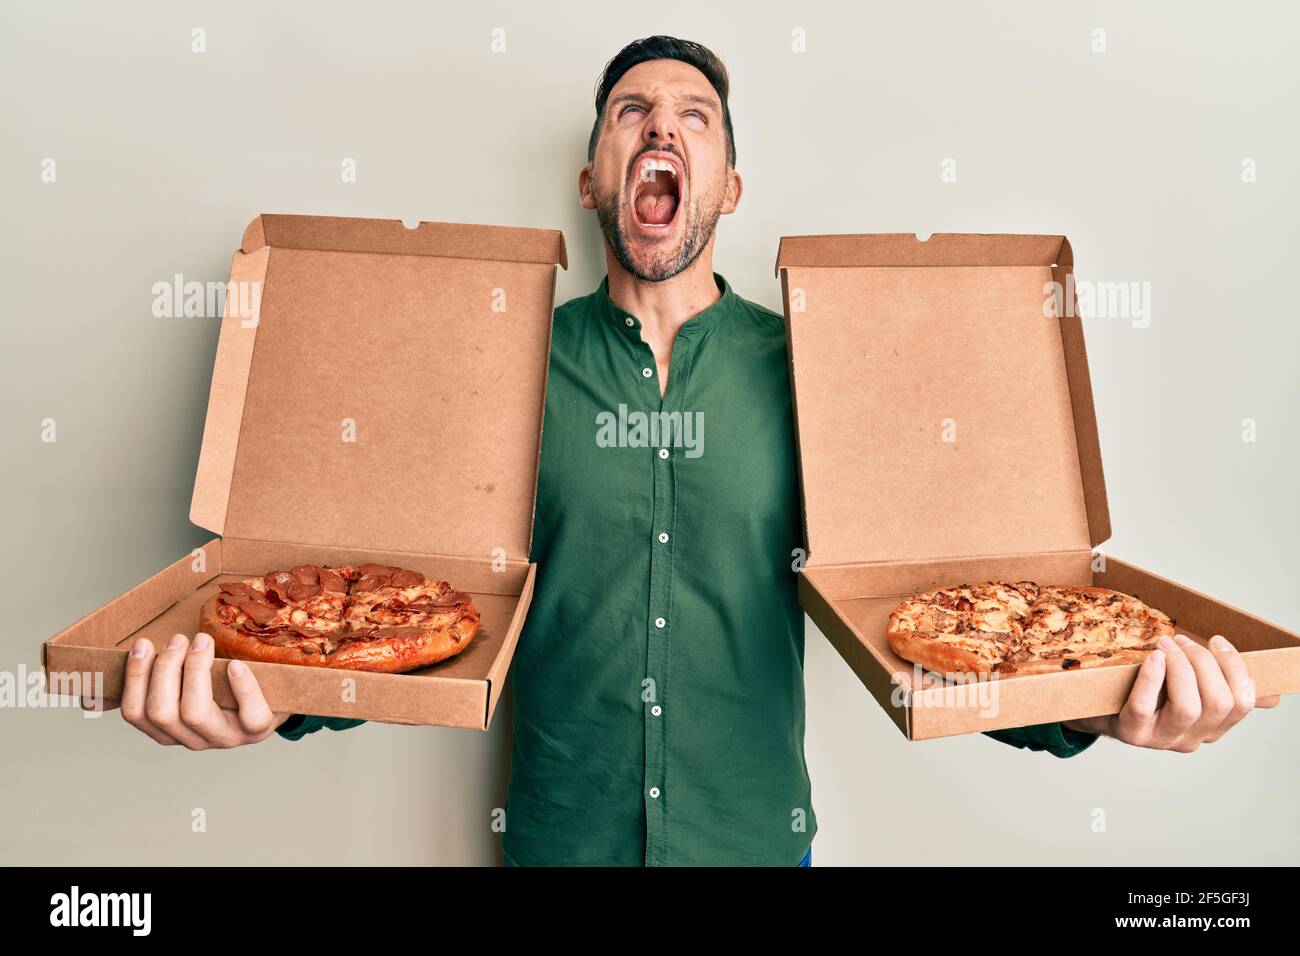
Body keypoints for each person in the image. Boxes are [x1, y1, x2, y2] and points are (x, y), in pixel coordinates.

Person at [91, 36, 1280, 867]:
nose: (662, 128)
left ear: (729, 183)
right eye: (631, 115)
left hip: (761, 847)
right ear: (594, 177)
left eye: (693, 118)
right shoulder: (487, 369)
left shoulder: (823, 370)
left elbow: (936, 608)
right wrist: (266, 703)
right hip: (556, 850)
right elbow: (395, 607)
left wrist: (1094, 709)